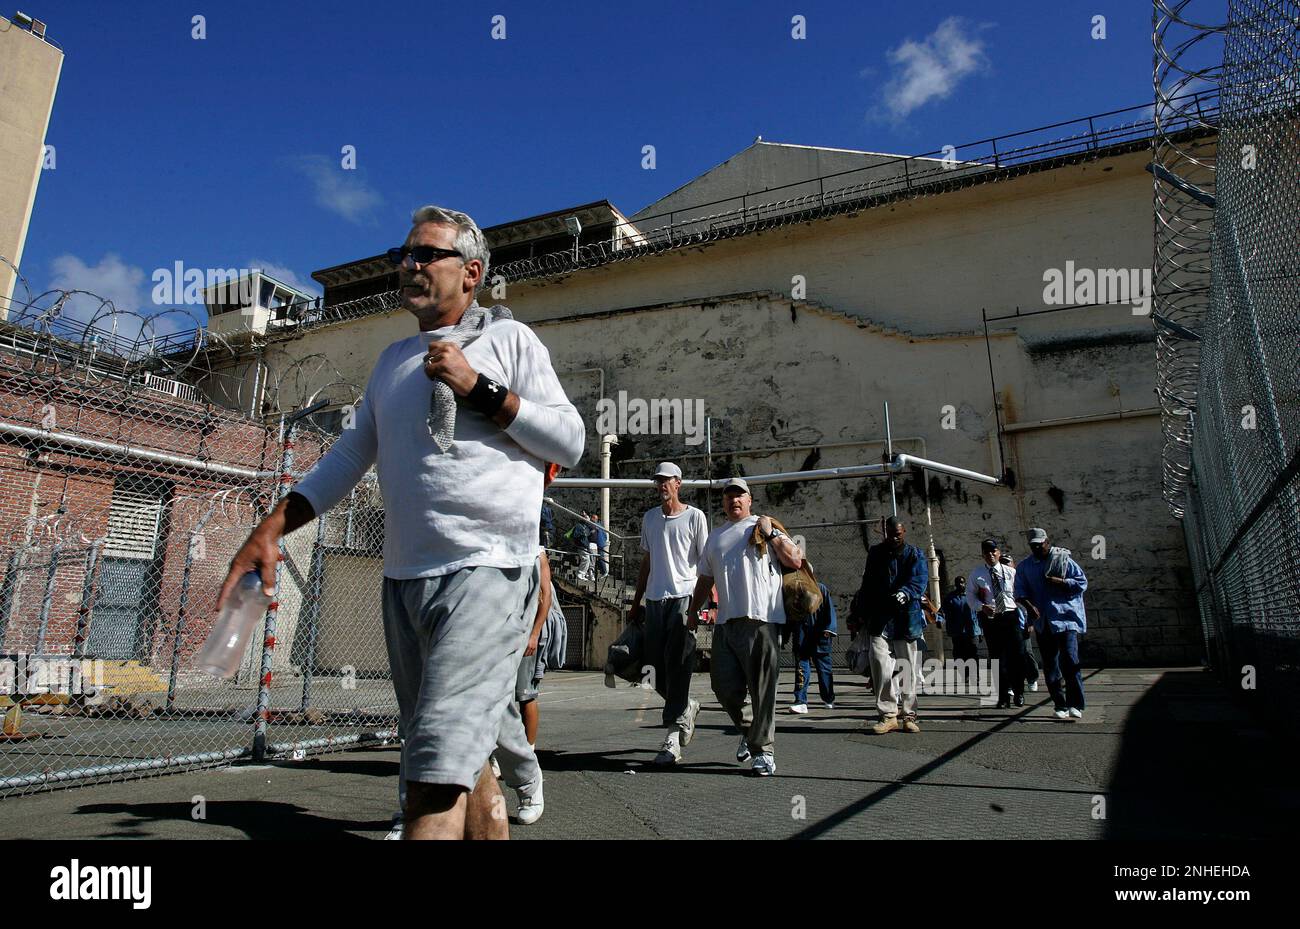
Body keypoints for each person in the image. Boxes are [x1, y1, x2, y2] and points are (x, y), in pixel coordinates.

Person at [218, 205, 584, 840]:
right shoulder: (391, 362)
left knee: (432, 776)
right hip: (406, 579)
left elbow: (570, 441)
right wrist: (271, 528)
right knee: (464, 762)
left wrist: (481, 389)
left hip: (488, 571)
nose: (409, 265)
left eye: (426, 254)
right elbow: (350, 457)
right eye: (404, 255)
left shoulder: (510, 341)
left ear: (471, 273)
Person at [688, 477, 803, 776]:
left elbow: (795, 560)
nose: (734, 500)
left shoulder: (764, 526)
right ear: (723, 502)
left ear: (750, 500)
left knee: (763, 691)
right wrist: (691, 611)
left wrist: (773, 534)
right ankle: (751, 731)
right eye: (728, 496)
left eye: (739, 496)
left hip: (763, 620)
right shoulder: (716, 537)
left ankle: (764, 752)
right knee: (723, 687)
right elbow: (705, 579)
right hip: (727, 623)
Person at [627, 462, 709, 766]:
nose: (661, 485)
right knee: (649, 669)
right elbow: (647, 562)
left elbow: (706, 564)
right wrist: (636, 603)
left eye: (666, 481)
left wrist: (706, 604)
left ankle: (672, 739)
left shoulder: (695, 517)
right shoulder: (650, 518)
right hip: (655, 600)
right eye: (658, 481)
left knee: (678, 665)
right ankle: (686, 705)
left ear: (678, 484)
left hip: (684, 597)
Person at [850, 515, 929, 734]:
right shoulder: (875, 553)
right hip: (879, 618)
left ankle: (909, 714)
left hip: (906, 618)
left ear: (904, 533)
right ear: (885, 532)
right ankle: (888, 714)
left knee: (908, 669)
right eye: (891, 534)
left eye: (898, 535)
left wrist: (906, 593)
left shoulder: (915, 554)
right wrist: (859, 613)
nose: (894, 538)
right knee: (880, 666)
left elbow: (920, 580)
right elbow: (867, 584)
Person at [1014, 528, 1089, 720]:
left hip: (1065, 619)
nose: (1039, 548)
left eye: (1041, 544)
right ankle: (1059, 703)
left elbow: (1081, 582)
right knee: (1051, 665)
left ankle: (1076, 703)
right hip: (1044, 622)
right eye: (1034, 546)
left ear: (1047, 542)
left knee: (1071, 661)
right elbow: (1020, 591)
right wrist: (1029, 606)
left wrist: (1061, 582)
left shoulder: (1063, 560)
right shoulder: (1025, 567)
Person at [968, 539, 1024, 708]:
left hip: (1010, 615)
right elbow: (970, 596)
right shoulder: (977, 574)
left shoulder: (1010, 572)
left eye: (993, 551)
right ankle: (1002, 696)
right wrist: (981, 607)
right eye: (986, 552)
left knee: (1016, 656)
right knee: (997, 658)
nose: (990, 555)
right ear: (982, 555)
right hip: (991, 618)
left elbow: (1021, 594)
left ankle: (1019, 692)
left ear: (998, 553)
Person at [789, 581, 836, 713]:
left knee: (824, 670)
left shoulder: (820, 588)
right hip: (802, 635)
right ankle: (800, 700)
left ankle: (828, 698)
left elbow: (828, 608)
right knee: (801, 668)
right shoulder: (794, 591)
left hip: (820, 635)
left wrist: (829, 629)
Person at [940, 575, 980, 689]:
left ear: (965, 583)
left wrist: (980, 631)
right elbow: (942, 612)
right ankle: (964, 674)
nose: (960, 585)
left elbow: (979, 613)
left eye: (962, 582)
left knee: (973, 653)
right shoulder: (950, 598)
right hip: (957, 631)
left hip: (972, 630)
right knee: (959, 654)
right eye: (958, 583)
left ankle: (975, 676)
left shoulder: (972, 596)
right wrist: (939, 620)